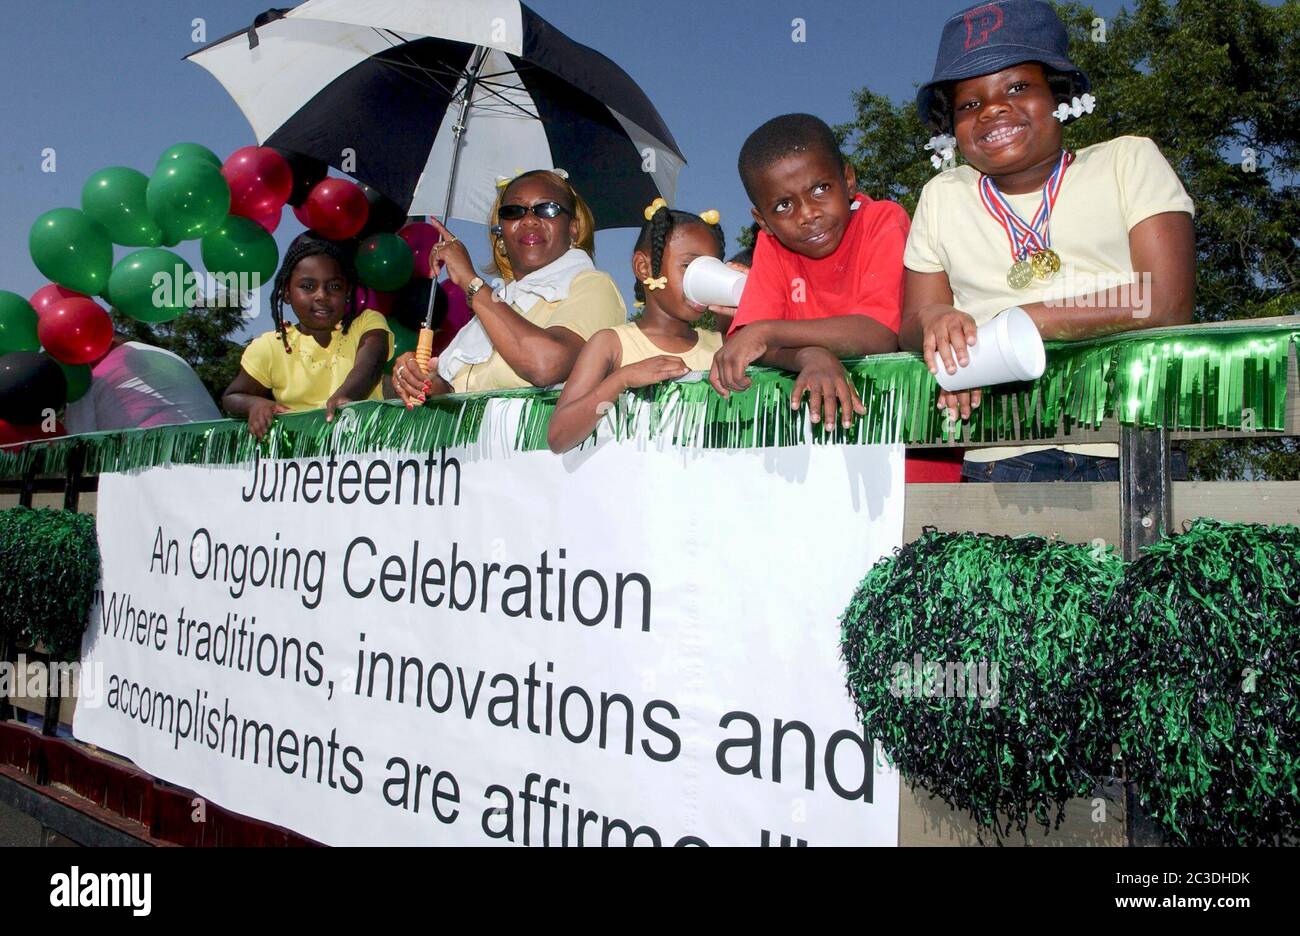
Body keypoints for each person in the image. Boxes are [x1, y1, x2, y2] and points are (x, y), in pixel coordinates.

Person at [902, 0, 1195, 482]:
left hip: (1129, 441)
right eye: (969, 104)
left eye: (1018, 87)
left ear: (1059, 94)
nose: (993, 109)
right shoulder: (941, 197)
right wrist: (935, 319)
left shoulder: (1127, 161)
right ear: (950, 125)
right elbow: (912, 325)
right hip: (999, 453)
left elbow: (1163, 300)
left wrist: (1022, 321)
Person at [709, 113, 907, 431]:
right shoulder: (772, 246)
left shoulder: (881, 221)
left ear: (848, 180)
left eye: (820, 189)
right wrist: (808, 356)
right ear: (763, 221)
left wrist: (767, 331)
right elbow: (749, 347)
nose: (807, 214)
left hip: (897, 416)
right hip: (814, 431)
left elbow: (878, 335)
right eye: (783, 206)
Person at [391, 169, 625, 405]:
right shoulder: (499, 301)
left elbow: (546, 366)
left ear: (573, 228)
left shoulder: (593, 285)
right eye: (513, 211)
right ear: (500, 232)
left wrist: (471, 282)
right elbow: (459, 395)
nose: (529, 220)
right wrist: (422, 381)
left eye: (547, 208)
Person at [548, 200, 726, 453]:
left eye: (712, 270)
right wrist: (621, 379)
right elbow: (559, 436)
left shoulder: (723, 345)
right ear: (644, 268)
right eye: (689, 266)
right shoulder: (611, 344)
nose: (703, 282)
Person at [222, 233, 393, 439]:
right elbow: (232, 397)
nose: (322, 295)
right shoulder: (269, 346)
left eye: (334, 286)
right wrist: (255, 404)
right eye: (307, 286)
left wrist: (345, 397)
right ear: (287, 293)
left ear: (348, 292)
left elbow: (370, 366)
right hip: (301, 454)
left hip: (366, 447)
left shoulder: (367, 323)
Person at [62, 335, 220, 433]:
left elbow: (79, 444)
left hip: (153, 465)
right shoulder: (166, 354)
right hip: (217, 455)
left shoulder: (86, 380)